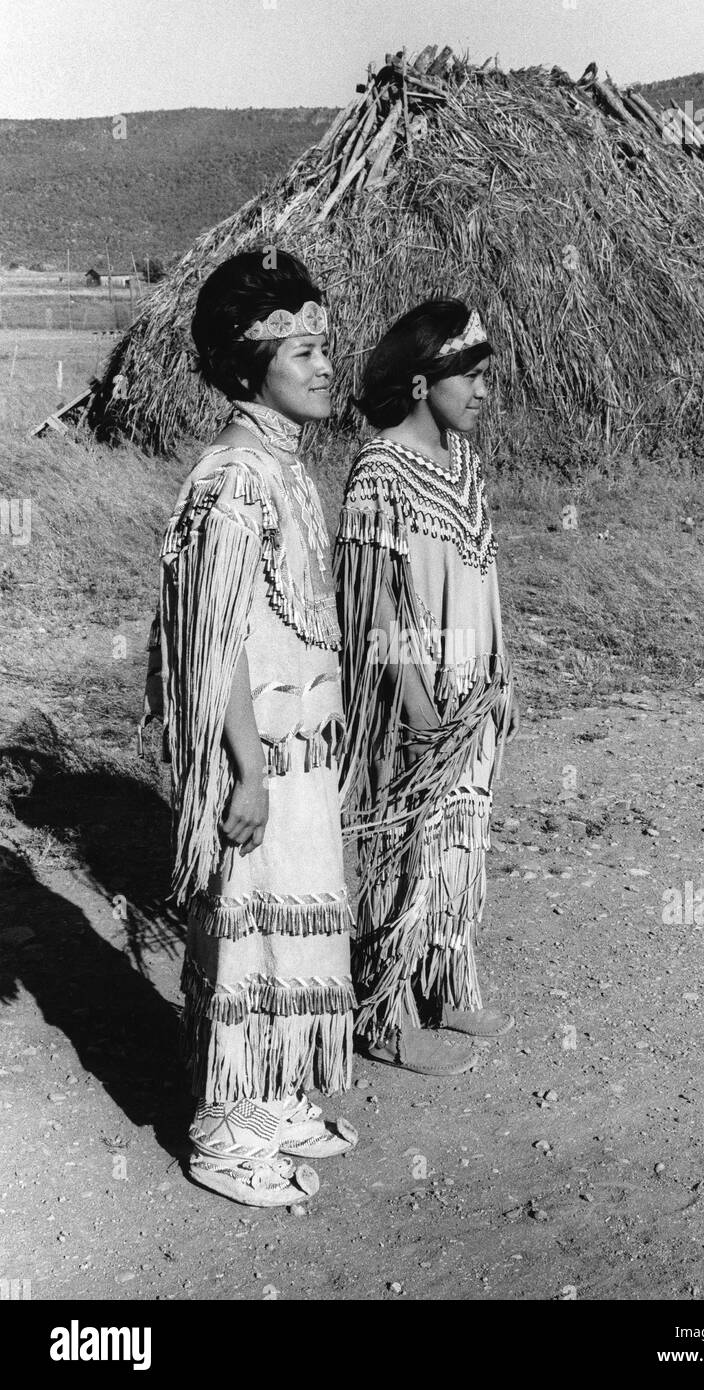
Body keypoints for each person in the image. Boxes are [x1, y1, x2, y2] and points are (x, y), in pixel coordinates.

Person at [148, 250, 357, 1206]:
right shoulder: (231, 477)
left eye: (327, 349)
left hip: (299, 754)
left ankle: (273, 1095)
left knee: (292, 931)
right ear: (250, 361)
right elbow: (212, 641)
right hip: (257, 760)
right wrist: (241, 770)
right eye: (305, 351)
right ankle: (224, 1134)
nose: (325, 368)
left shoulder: (283, 468)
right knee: (244, 935)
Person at [334, 299, 519, 1076]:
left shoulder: (463, 464)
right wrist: (414, 706)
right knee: (403, 845)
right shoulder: (380, 473)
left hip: (469, 691)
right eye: (469, 378)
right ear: (420, 382)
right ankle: (383, 1012)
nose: (482, 393)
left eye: (485, 378)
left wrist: (501, 671)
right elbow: (374, 604)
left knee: (457, 843)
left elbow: (482, 574)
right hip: (414, 700)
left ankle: (443, 983)